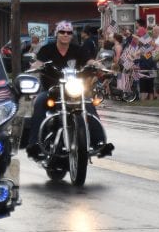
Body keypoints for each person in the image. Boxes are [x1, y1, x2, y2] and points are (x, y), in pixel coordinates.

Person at [25, 20, 110, 159]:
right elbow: (38, 62)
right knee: (39, 102)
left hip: (73, 90)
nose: (65, 35)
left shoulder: (78, 49)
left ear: (72, 35)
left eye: (69, 32)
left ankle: (99, 142)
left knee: (89, 104)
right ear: (57, 34)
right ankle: (34, 145)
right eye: (62, 32)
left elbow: (88, 61)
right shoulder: (47, 49)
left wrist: (96, 65)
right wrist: (34, 67)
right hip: (52, 89)